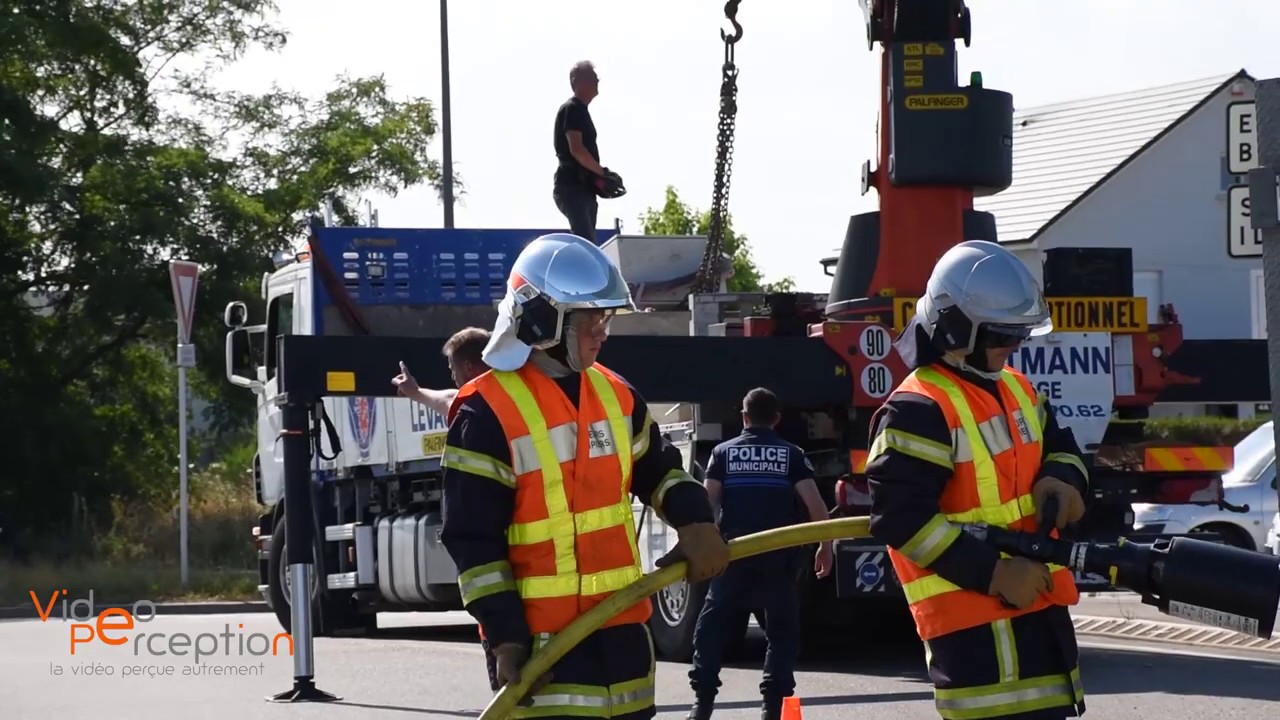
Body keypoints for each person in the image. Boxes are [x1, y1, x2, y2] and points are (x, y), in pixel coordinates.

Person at [439, 232, 731, 720]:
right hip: (544, 652)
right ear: (541, 318)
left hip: (624, 643)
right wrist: (505, 636)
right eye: (590, 318)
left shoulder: (616, 396)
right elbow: (473, 543)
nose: (602, 331)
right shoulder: (485, 414)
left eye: (606, 317)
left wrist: (696, 521)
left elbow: (659, 471)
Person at [865, 240, 1091, 720]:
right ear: (955, 330)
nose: (1012, 347)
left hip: (1040, 624)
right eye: (1001, 336)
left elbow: (1064, 447)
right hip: (977, 644)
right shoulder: (917, 408)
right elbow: (901, 520)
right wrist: (992, 573)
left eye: (1018, 335)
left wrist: (1061, 478)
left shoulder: (1015, 387)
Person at [685, 387, 834, 720]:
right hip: (777, 558)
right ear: (777, 419)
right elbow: (815, 506)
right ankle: (772, 709)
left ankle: (702, 705)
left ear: (744, 417)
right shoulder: (791, 454)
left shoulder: (722, 453)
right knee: (781, 633)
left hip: (732, 557)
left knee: (710, 629)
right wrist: (825, 547)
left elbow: (707, 503)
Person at [553, 61, 622, 242]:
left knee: (588, 241)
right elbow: (576, 149)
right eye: (592, 77)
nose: (597, 80)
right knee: (585, 242)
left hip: (582, 188)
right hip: (572, 187)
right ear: (578, 82)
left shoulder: (580, 110)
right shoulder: (573, 108)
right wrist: (602, 172)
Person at [391, 326, 491, 416]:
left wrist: (415, 392)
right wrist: (415, 391)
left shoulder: (472, 414)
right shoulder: (501, 391)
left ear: (468, 367)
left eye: (453, 370)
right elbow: (447, 399)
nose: (453, 377)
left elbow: (449, 401)